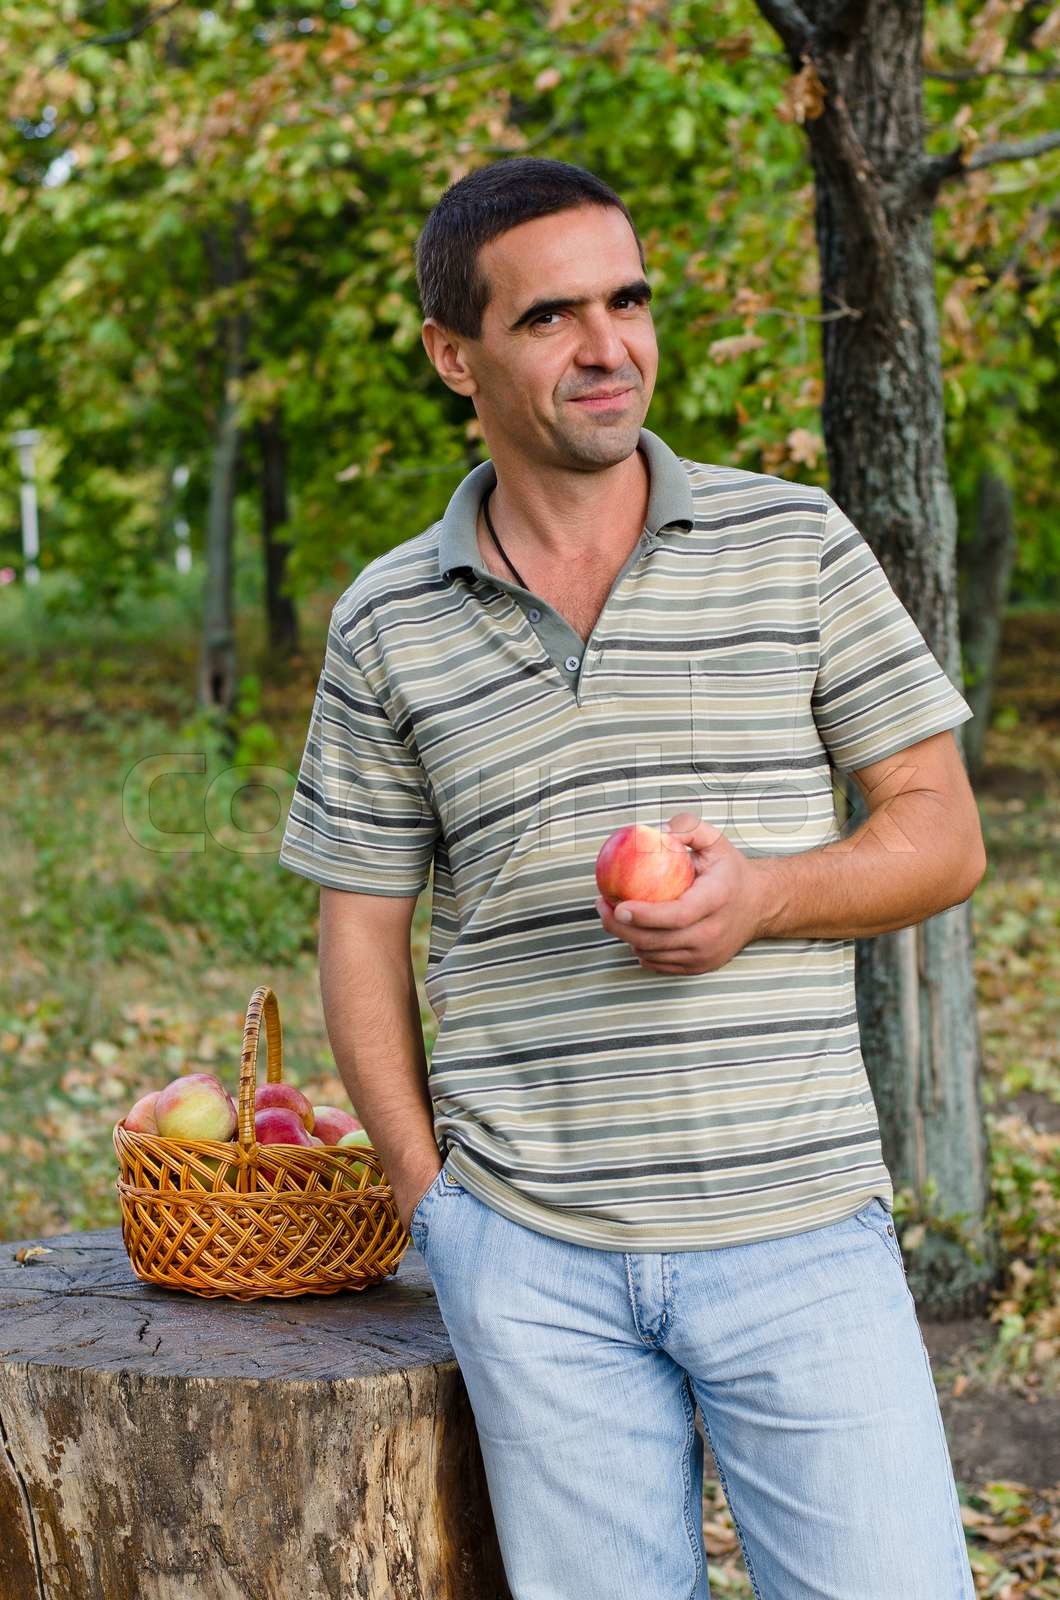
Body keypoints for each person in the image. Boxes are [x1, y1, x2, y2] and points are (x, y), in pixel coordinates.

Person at [279, 156, 982, 1600]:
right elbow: (361, 935)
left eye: (630, 300)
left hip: (800, 1237)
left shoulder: (793, 545)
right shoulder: (389, 621)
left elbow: (941, 831)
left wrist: (765, 896)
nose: (611, 348)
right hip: (534, 1266)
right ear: (452, 353)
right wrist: (440, 1213)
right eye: (552, 318)